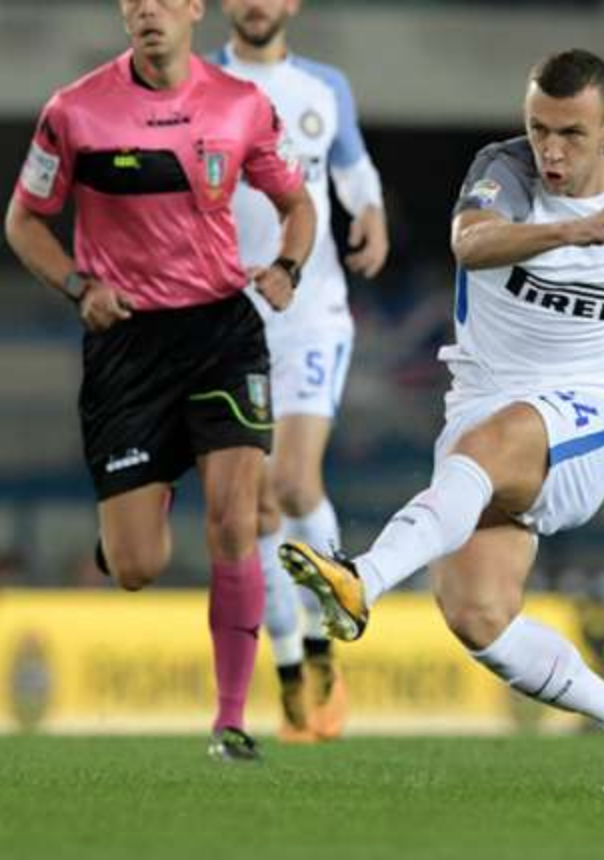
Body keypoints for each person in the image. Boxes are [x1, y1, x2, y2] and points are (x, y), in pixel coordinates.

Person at [281, 49, 604, 793]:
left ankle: (361, 579)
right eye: (538, 129)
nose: (551, 150)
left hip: (583, 416)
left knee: (491, 445)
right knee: (478, 618)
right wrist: (571, 230)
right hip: (483, 411)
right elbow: (471, 242)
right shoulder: (502, 171)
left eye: (570, 133)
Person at [5, 0, 315, 761]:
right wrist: (81, 288)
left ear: (192, 11)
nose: (149, 10)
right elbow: (23, 221)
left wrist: (287, 267)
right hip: (127, 344)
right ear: (123, 14)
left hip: (221, 333)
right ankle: (144, 502)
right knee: (138, 567)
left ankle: (231, 721)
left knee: (235, 521)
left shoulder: (241, 105)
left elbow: (295, 204)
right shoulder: (73, 111)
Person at [214, 0, 388, 743]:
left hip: (312, 314)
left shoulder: (325, 87)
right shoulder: (198, 85)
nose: (257, 5)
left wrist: (370, 211)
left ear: (292, 4)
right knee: (250, 511)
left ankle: (326, 638)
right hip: (224, 323)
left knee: (291, 483)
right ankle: (292, 669)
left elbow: (350, 166)